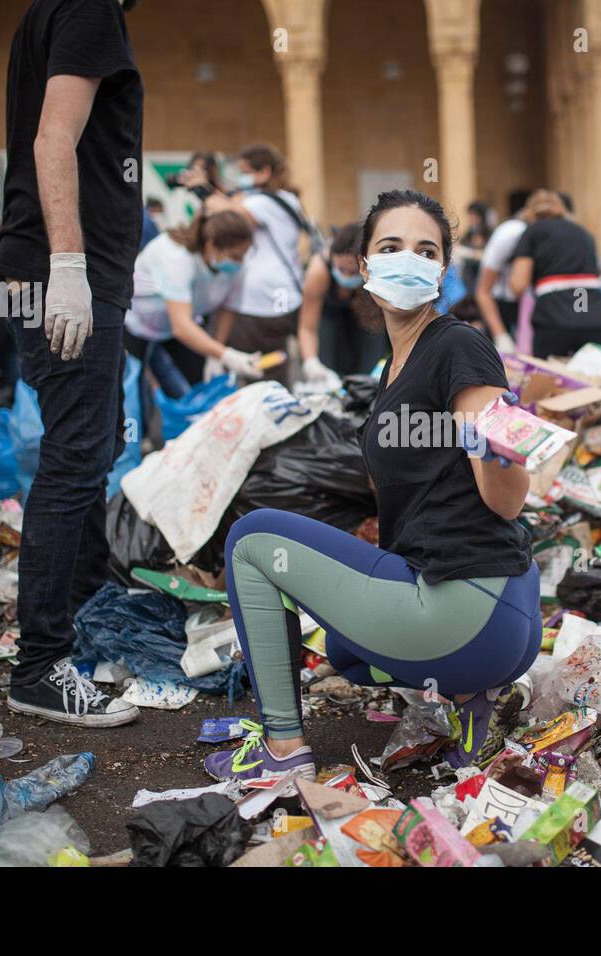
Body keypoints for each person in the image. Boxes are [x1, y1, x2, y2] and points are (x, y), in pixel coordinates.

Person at [205, 190, 540, 782]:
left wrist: (498, 451)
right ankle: (469, 704)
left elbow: (506, 499)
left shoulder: (458, 344)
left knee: (251, 540)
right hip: (501, 617)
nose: (407, 259)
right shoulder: (396, 366)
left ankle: (282, 752)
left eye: (425, 249)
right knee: (346, 654)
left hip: (466, 609)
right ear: (363, 266)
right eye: (391, 247)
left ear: (442, 269)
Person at [0, 0, 145, 727]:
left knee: (95, 443)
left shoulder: (55, 10)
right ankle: (41, 666)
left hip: (65, 269)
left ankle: (81, 614)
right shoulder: (88, 5)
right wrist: (71, 266)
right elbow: (55, 140)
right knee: (76, 453)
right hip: (64, 270)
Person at [123, 207, 263, 401]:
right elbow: (181, 325)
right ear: (212, 245)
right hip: (135, 323)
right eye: (235, 255)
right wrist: (227, 355)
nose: (240, 261)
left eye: (244, 254)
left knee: (200, 388)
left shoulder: (237, 267)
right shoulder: (176, 257)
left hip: (176, 326)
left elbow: (227, 308)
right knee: (134, 394)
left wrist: (216, 353)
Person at [206, 143, 305, 385]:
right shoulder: (288, 200)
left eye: (246, 171)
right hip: (283, 300)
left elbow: (228, 216)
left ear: (265, 172)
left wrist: (207, 192)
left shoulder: (262, 203)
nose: (242, 178)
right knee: (273, 372)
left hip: (258, 304)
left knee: (253, 376)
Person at [508, 189, 601, 357]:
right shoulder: (583, 232)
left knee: (551, 380)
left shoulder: (533, 232)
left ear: (530, 212)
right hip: (592, 317)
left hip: (553, 320)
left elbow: (518, 285)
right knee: (593, 379)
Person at [298, 223, 389, 384]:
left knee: (371, 356)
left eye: (353, 272)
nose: (346, 276)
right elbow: (307, 326)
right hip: (329, 319)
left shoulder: (377, 273)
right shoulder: (319, 270)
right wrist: (310, 361)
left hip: (366, 319)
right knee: (327, 359)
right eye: (341, 269)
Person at [474, 194, 530, 351]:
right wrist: (500, 335)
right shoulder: (509, 234)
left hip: (527, 305)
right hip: (501, 304)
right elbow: (483, 291)